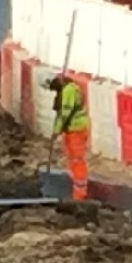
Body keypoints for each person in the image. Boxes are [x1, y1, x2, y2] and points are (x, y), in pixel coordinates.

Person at [49, 73, 91, 202]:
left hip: (76, 129)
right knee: (72, 159)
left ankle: (80, 194)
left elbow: (65, 113)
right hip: (71, 129)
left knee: (77, 160)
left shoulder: (69, 90)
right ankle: (76, 189)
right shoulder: (69, 89)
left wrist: (56, 131)